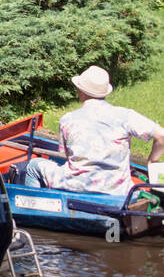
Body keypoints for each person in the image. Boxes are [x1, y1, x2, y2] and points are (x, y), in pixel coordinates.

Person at [18, 66, 164, 195]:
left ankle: (38, 207)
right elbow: (161, 136)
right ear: (105, 92)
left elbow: (66, 155)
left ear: (81, 91)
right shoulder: (126, 116)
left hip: (76, 186)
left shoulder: (67, 119)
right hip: (118, 190)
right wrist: (152, 161)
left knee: (33, 166)